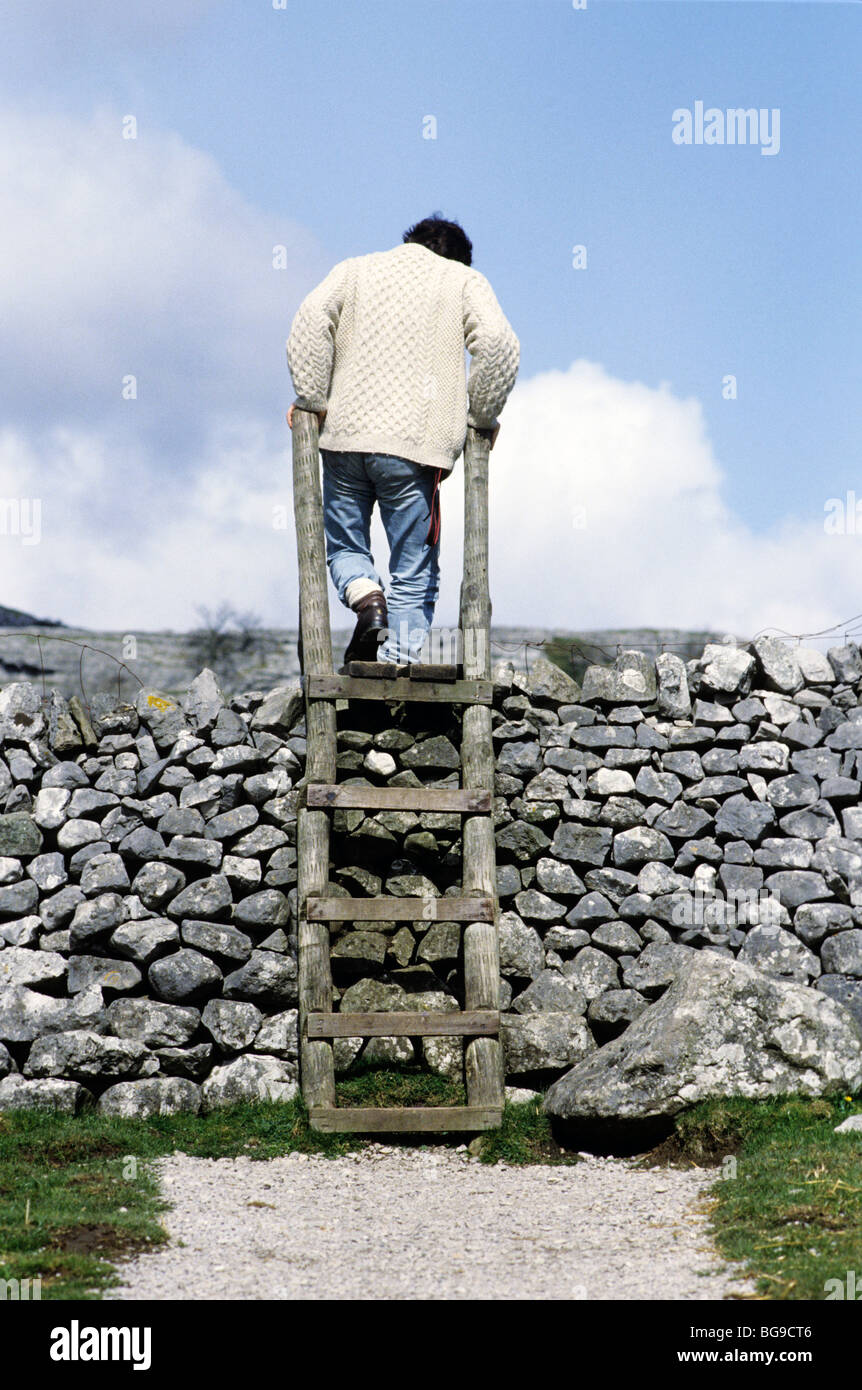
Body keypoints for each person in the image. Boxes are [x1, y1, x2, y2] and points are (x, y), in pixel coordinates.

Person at [286, 214, 519, 667]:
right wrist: (482, 415)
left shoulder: (354, 269)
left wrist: (312, 397)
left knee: (345, 546)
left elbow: (311, 319)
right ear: (461, 259)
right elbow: (496, 342)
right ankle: (394, 668)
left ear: (410, 242)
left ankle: (368, 601)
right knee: (414, 573)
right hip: (416, 447)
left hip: (345, 439)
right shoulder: (464, 280)